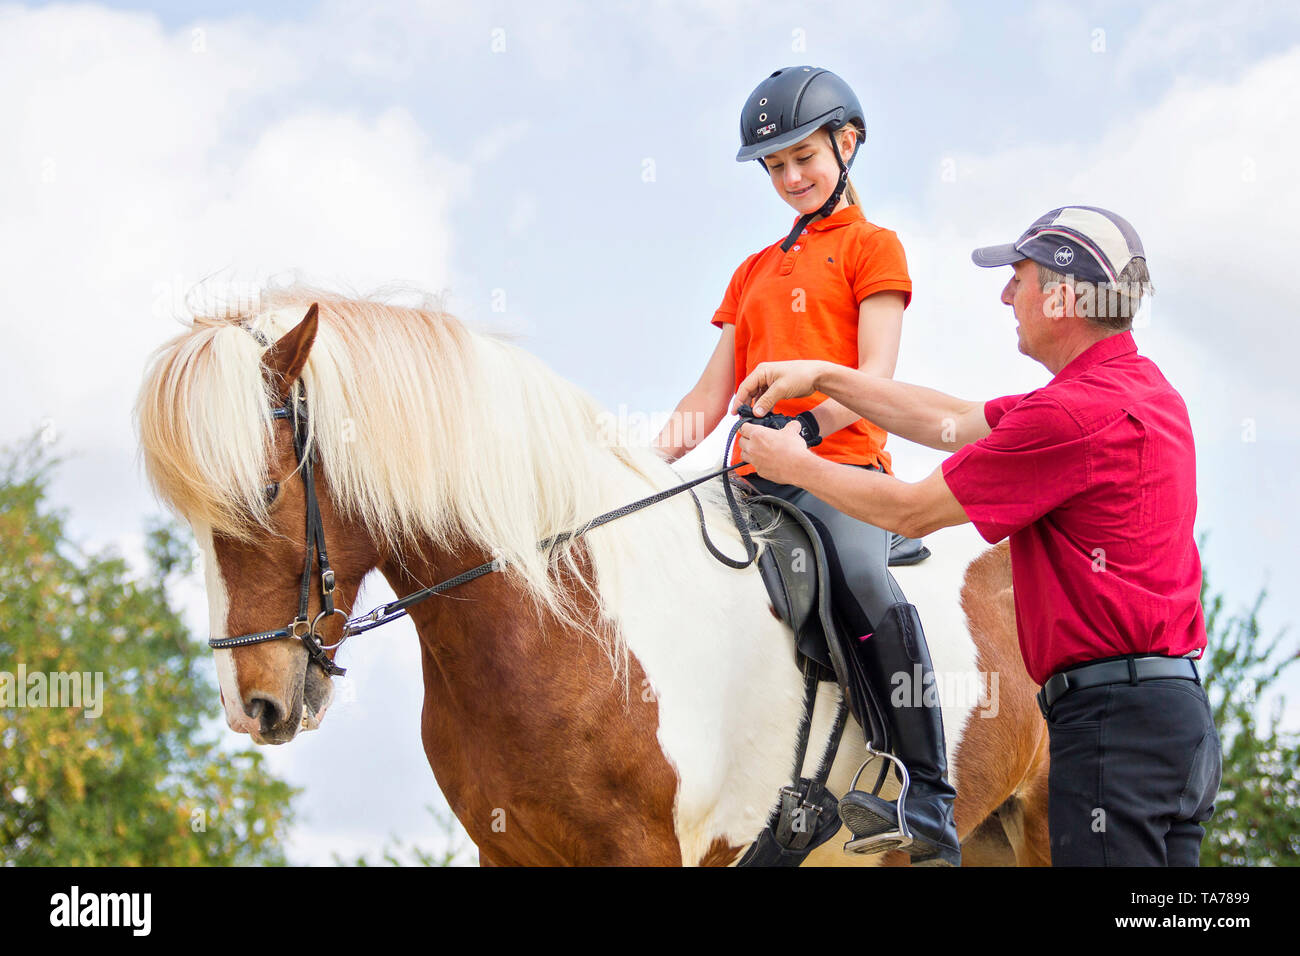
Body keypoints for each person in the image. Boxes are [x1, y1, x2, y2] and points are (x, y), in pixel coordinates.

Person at [733, 205, 1222, 866]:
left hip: (1110, 729)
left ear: (1064, 296)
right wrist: (823, 374)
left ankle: (922, 788)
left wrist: (796, 466)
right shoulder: (1145, 393)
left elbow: (910, 512)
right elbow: (952, 420)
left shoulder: (1069, 417)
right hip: (1179, 723)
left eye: (1018, 278)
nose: (1005, 294)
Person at [653, 65, 961, 866]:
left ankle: (926, 791)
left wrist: (808, 432)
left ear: (847, 143)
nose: (790, 177)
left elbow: (877, 380)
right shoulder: (753, 271)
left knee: (859, 578)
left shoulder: (873, 247)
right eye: (775, 166)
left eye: (804, 158)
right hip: (751, 478)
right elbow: (709, 394)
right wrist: (640, 463)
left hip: (842, 473)